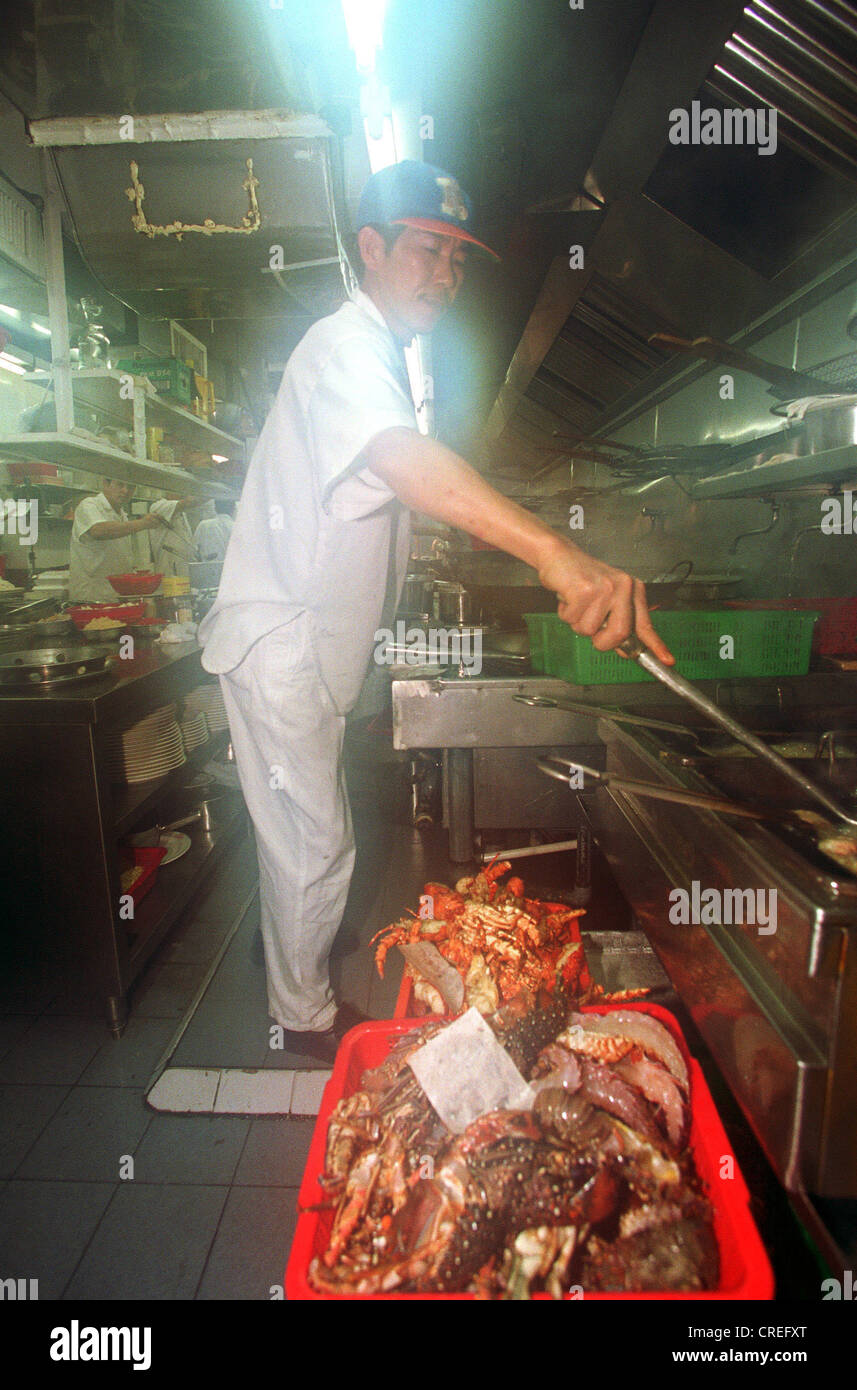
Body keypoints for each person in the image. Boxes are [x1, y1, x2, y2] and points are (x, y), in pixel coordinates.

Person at [198, 159, 673, 1062]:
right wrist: (554, 552)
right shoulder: (346, 346)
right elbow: (403, 460)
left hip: (297, 645)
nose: (445, 275)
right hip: (281, 643)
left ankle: (291, 951)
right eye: (426, 250)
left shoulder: (374, 350)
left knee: (301, 833)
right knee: (315, 842)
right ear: (370, 249)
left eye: (456, 259)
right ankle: (301, 1018)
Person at [68, 478, 165, 603]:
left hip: (115, 595)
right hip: (91, 596)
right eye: (120, 484)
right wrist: (143, 523)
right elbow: (99, 530)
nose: (125, 491)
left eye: (131, 487)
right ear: (106, 484)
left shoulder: (122, 515)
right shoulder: (89, 505)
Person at [147, 495, 198, 579]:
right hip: (169, 572)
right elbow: (189, 502)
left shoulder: (182, 513)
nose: (183, 493)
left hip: (184, 572)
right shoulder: (159, 506)